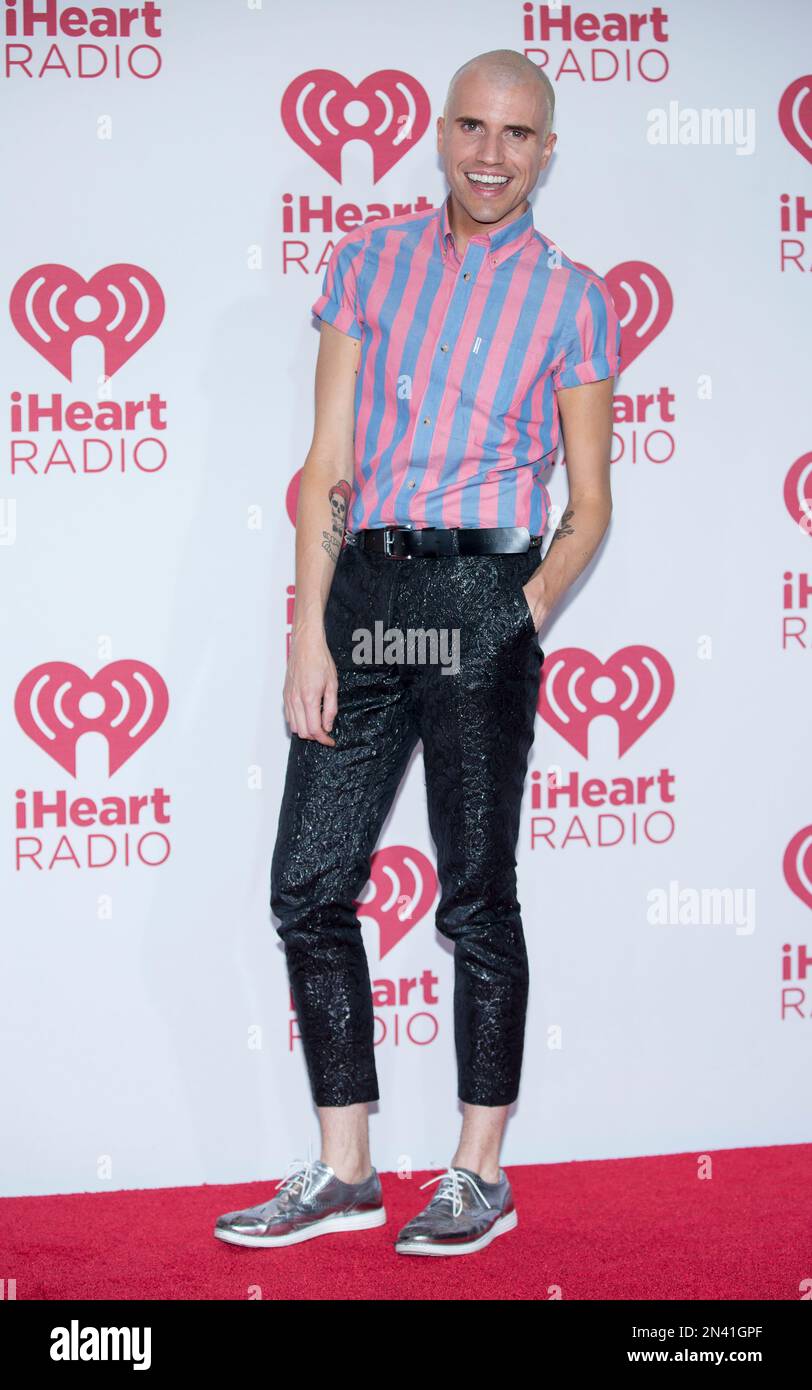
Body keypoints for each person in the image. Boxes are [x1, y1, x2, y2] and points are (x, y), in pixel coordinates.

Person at [214, 48, 620, 1257]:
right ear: (438, 134)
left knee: (475, 893)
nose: (490, 154)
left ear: (548, 152)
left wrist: (520, 608)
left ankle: (476, 1171)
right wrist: (308, 623)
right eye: (471, 127)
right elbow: (328, 461)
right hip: (369, 587)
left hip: (480, 587)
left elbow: (588, 502)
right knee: (308, 882)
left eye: (517, 134)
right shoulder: (365, 263)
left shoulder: (573, 297)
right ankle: (344, 1169)